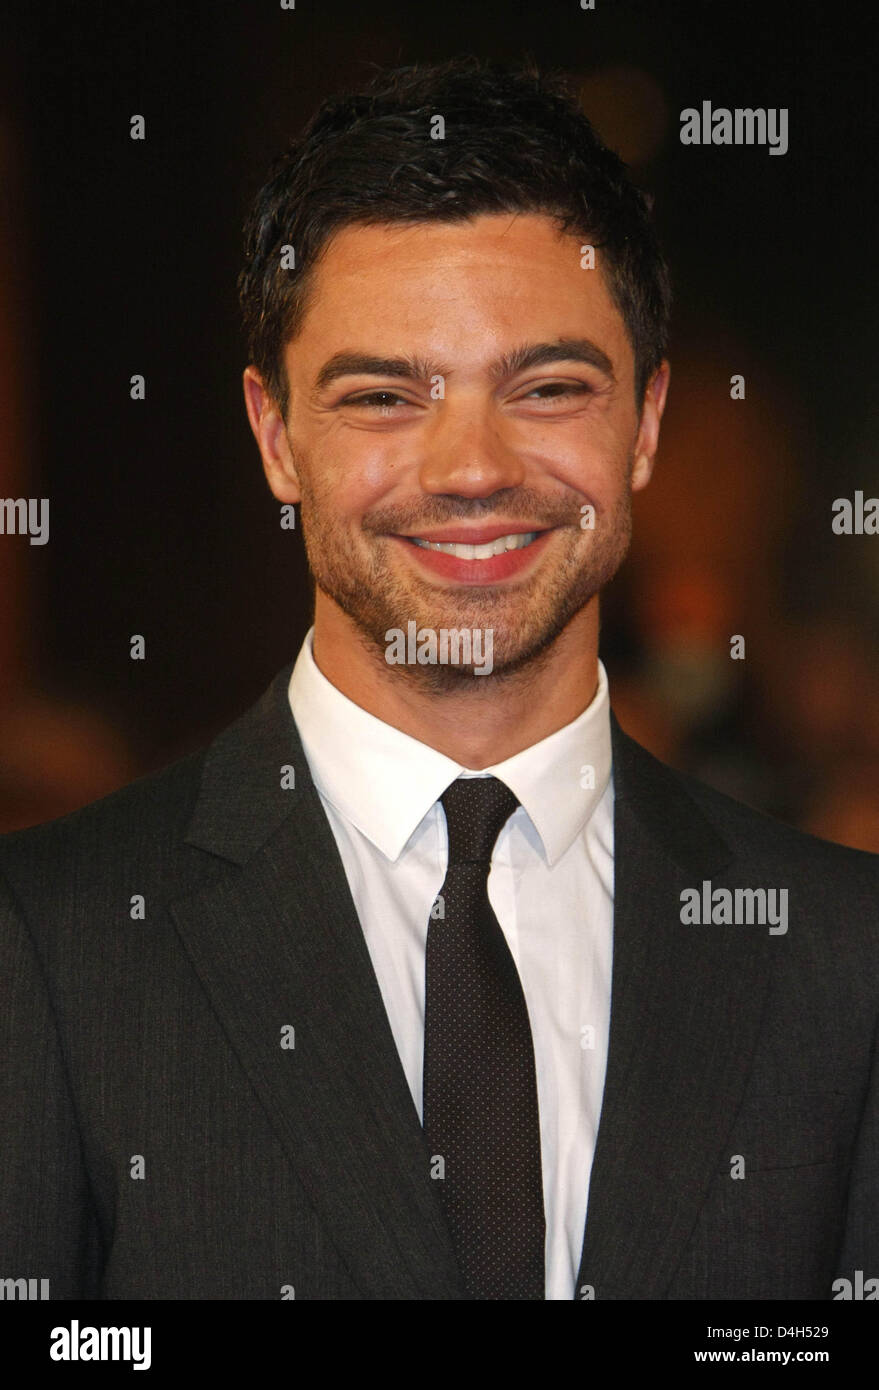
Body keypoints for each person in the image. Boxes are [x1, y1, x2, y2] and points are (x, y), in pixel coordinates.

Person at [1, 55, 876, 1302]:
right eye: (381, 396)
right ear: (273, 436)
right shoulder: (47, 941)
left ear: (646, 424)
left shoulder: (846, 956)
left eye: (549, 386)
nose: (470, 467)